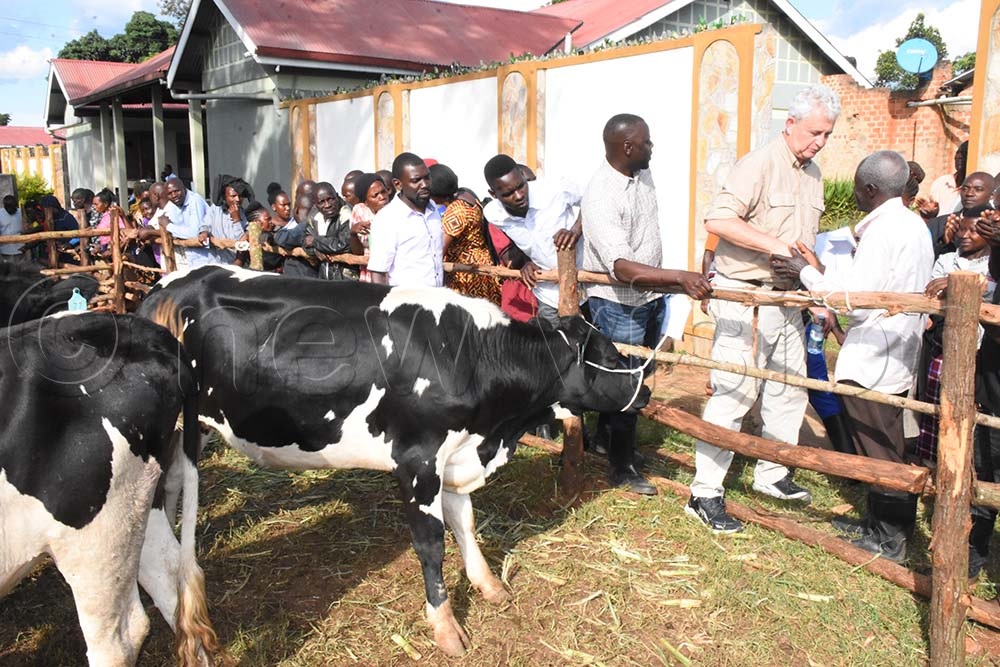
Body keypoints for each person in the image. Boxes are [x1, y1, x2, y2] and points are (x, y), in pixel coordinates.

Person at [687, 84, 840, 533]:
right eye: (815, 132)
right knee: (734, 392)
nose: (821, 142)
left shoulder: (812, 174)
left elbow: (805, 240)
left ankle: (772, 472)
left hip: (788, 300)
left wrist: (813, 282)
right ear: (790, 124)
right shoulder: (757, 164)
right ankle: (705, 492)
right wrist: (775, 247)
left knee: (788, 391)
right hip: (746, 299)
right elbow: (718, 219)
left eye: (828, 134)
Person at [772, 150, 933, 562]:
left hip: (876, 355)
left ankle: (890, 540)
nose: (857, 195)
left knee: (880, 451)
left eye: (860, 188)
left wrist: (803, 273)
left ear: (871, 189)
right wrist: (820, 268)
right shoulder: (911, 225)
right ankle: (881, 526)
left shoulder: (886, 230)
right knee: (884, 443)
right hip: (894, 349)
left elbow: (857, 303)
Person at [582, 113, 711, 495]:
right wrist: (680, 278)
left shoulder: (640, 173)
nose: (651, 148)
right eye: (647, 142)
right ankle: (622, 468)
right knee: (627, 384)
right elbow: (620, 267)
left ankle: (607, 441)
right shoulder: (603, 194)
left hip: (649, 297)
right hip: (620, 304)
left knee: (635, 373)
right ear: (627, 147)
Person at [915, 204, 994, 465]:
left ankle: (963, 464)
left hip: (980, 349)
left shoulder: (992, 267)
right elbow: (932, 291)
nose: (966, 235)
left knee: (971, 410)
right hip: (945, 345)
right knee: (936, 404)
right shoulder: (947, 259)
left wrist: (959, 285)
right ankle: (930, 460)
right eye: (962, 229)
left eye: (974, 230)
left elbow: (987, 289)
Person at [483, 153, 582, 326]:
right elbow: (527, 240)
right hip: (547, 293)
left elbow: (591, 201)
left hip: (584, 284)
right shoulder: (493, 214)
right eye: (508, 193)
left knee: (592, 346)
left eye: (521, 186)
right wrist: (526, 262)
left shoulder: (555, 188)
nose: (519, 195)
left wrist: (575, 230)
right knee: (551, 348)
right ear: (493, 194)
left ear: (523, 177)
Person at [368, 153, 443, 287]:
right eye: (416, 180)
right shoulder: (387, 219)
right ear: (398, 184)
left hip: (437, 301)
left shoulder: (433, 209)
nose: (424, 184)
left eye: (427, 178)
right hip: (406, 303)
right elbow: (378, 272)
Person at [443, 187, 501, 304]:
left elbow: (439, 250)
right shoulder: (469, 197)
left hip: (465, 271)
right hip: (482, 262)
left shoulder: (456, 209)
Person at [925, 172, 996, 259]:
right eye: (965, 189)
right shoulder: (939, 223)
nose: (969, 194)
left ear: (992, 195)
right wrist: (944, 243)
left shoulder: (996, 226)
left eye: (978, 189)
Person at [349, 173, 391, 282]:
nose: (382, 197)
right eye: (375, 195)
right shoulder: (360, 211)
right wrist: (353, 233)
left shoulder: (396, 211)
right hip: (369, 271)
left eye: (383, 192)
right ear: (366, 202)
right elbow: (358, 252)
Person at [200, 180, 249, 265]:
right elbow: (205, 225)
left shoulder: (245, 215)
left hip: (235, 263)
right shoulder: (214, 209)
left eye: (240, 196)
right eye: (233, 196)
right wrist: (204, 233)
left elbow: (242, 241)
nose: (237, 199)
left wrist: (236, 220)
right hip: (215, 262)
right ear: (224, 197)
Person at [165, 176, 210, 266]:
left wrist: (168, 226)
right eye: (170, 193)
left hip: (207, 257)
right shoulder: (173, 204)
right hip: (191, 257)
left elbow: (194, 233)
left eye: (176, 191)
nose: (174, 195)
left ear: (184, 188)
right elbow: (162, 219)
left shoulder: (195, 201)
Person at [917, 140, 967, 220]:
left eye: (965, 153)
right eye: (958, 152)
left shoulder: (971, 190)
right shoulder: (942, 182)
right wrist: (929, 213)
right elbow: (930, 217)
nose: (959, 156)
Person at [0, 195, 22, 260]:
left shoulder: (21, 212)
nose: (10, 209)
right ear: (4, 206)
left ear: (15, 205)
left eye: (12, 207)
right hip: (5, 251)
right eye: (8, 207)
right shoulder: (0, 213)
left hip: (20, 249)